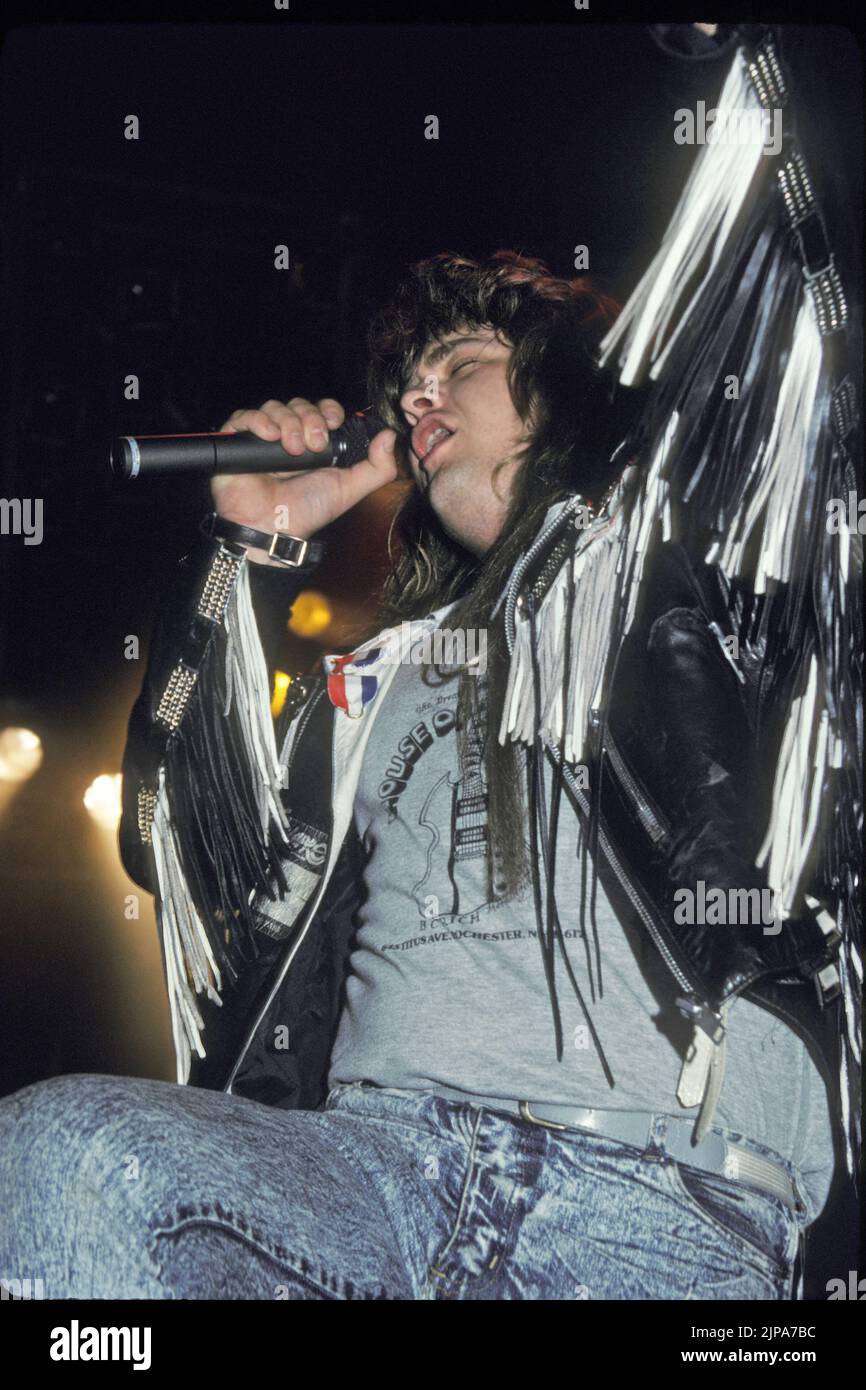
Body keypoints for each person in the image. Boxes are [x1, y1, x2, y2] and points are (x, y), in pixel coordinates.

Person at [0, 248, 845, 1301]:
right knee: (67, 1153)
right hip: (369, 1173)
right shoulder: (369, 676)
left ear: (571, 378)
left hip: (653, 1193)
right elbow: (173, 846)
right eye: (409, 382)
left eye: (463, 359)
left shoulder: (702, 579)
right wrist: (246, 541)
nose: (414, 393)